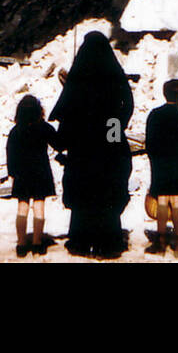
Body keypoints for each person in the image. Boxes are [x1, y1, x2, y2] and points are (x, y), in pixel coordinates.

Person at [50, 30, 133, 258]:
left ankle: (81, 241)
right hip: (107, 147)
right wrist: (113, 136)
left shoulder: (78, 77)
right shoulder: (114, 76)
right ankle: (108, 243)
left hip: (82, 148)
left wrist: (66, 141)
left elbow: (68, 113)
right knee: (107, 193)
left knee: (83, 195)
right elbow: (124, 107)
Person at [5, 94, 64, 256]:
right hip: (41, 171)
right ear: (39, 111)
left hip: (22, 173)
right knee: (39, 205)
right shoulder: (44, 127)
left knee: (22, 206)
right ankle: (38, 243)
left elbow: (10, 153)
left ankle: (21, 244)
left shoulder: (15, 131)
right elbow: (59, 144)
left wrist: (12, 173)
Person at [144, 79, 178, 255]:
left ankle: (161, 240)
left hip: (159, 161)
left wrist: (155, 157)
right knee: (176, 198)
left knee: (162, 198)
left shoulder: (154, 114)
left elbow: (149, 142)